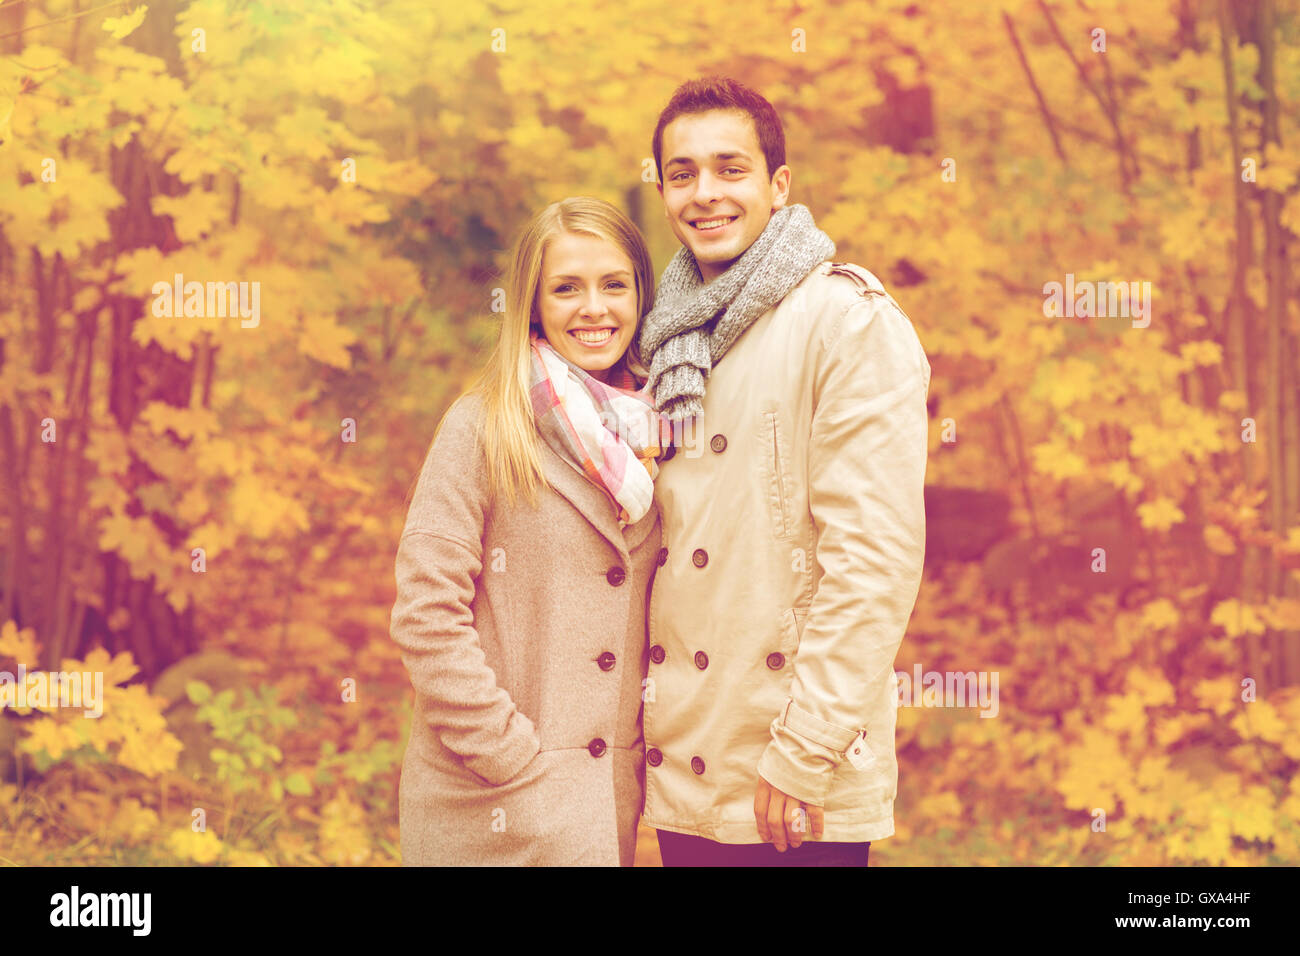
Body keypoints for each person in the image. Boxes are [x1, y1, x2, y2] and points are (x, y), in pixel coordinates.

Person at [639, 76, 933, 866]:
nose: (705, 193)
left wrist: (804, 749)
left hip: (791, 772)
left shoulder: (845, 319)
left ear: (778, 186)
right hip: (687, 761)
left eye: (730, 169)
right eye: (682, 173)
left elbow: (874, 559)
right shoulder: (666, 336)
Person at [390, 196, 667, 865]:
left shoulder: (662, 431)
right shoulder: (483, 426)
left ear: (641, 295)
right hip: (491, 803)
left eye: (614, 285)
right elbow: (427, 616)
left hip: (605, 806)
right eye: (566, 288)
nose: (594, 308)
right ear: (534, 305)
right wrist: (509, 756)